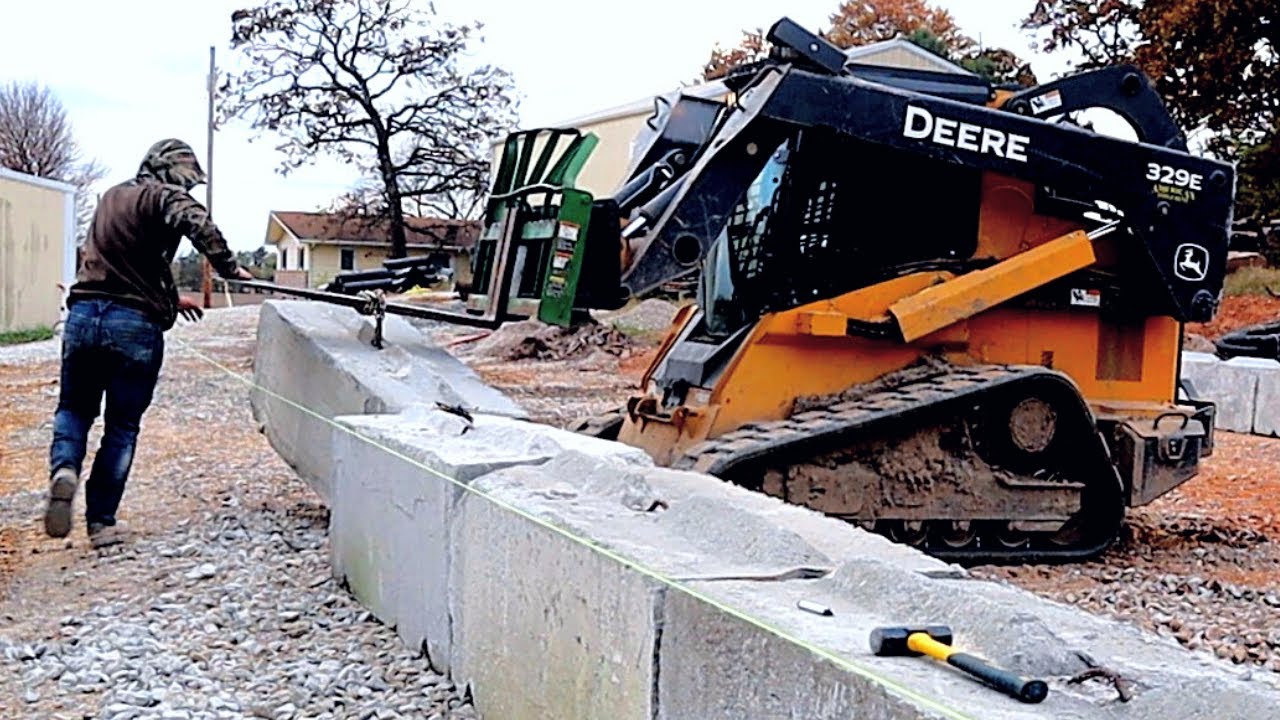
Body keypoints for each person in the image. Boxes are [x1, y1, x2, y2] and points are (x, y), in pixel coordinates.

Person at [43, 139, 252, 549]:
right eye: (187, 182)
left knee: (73, 409)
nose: (188, 190)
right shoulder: (164, 196)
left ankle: (64, 470)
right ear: (173, 173)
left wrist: (172, 298)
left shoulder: (111, 198)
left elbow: (125, 262)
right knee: (122, 426)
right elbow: (198, 224)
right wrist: (230, 268)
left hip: (83, 316)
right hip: (133, 326)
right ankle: (101, 523)